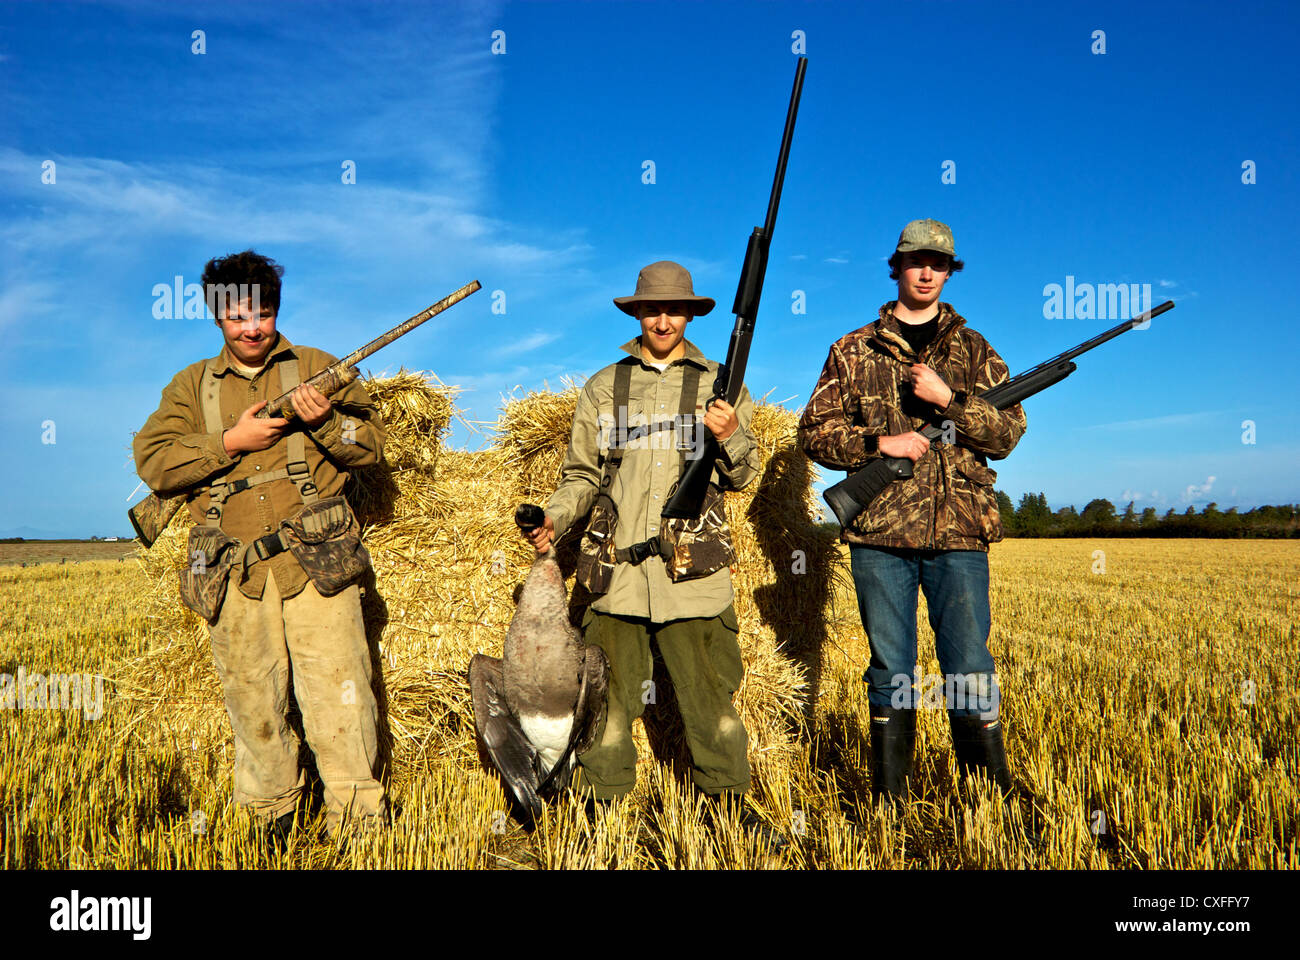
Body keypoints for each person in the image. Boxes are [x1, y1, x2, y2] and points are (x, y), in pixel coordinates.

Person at [134, 250, 387, 842]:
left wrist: (325, 423)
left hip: (318, 559)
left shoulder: (321, 367)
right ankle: (270, 819)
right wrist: (229, 440)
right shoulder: (190, 386)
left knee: (339, 694)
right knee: (253, 700)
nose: (253, 328)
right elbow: (154, 462)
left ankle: (359, 826)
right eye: (237, 316)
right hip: (231, 568)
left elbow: (369, 443)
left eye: (264, 313)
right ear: (214, 316)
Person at [797, 220, 1026, 803]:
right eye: (916, 261)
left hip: (960, 535)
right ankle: (889, 802)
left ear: (950, 273)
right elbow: (814, 434)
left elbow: (1008, 435)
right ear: (896, 267)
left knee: (969, 665)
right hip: (879, 535)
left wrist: (951, 401)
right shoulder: (853, 350)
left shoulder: (975, 351)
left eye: (939, 263)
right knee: (891, 669)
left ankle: (988, 798)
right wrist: (881, 444)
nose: (927, 272)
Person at [521, 260, 761, 812]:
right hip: (617, 575)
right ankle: (602, 811)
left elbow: (745, 476)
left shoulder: (721, 385)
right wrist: (556, 518)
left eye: (674, 309)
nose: (662, 320)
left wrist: (730, 437)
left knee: (710, 701)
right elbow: (580, 476)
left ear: (691, 314)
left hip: (694, 576)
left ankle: (729, 808)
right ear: (636, 312)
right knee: (606, 703)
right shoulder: (604, 387)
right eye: (652, 309)